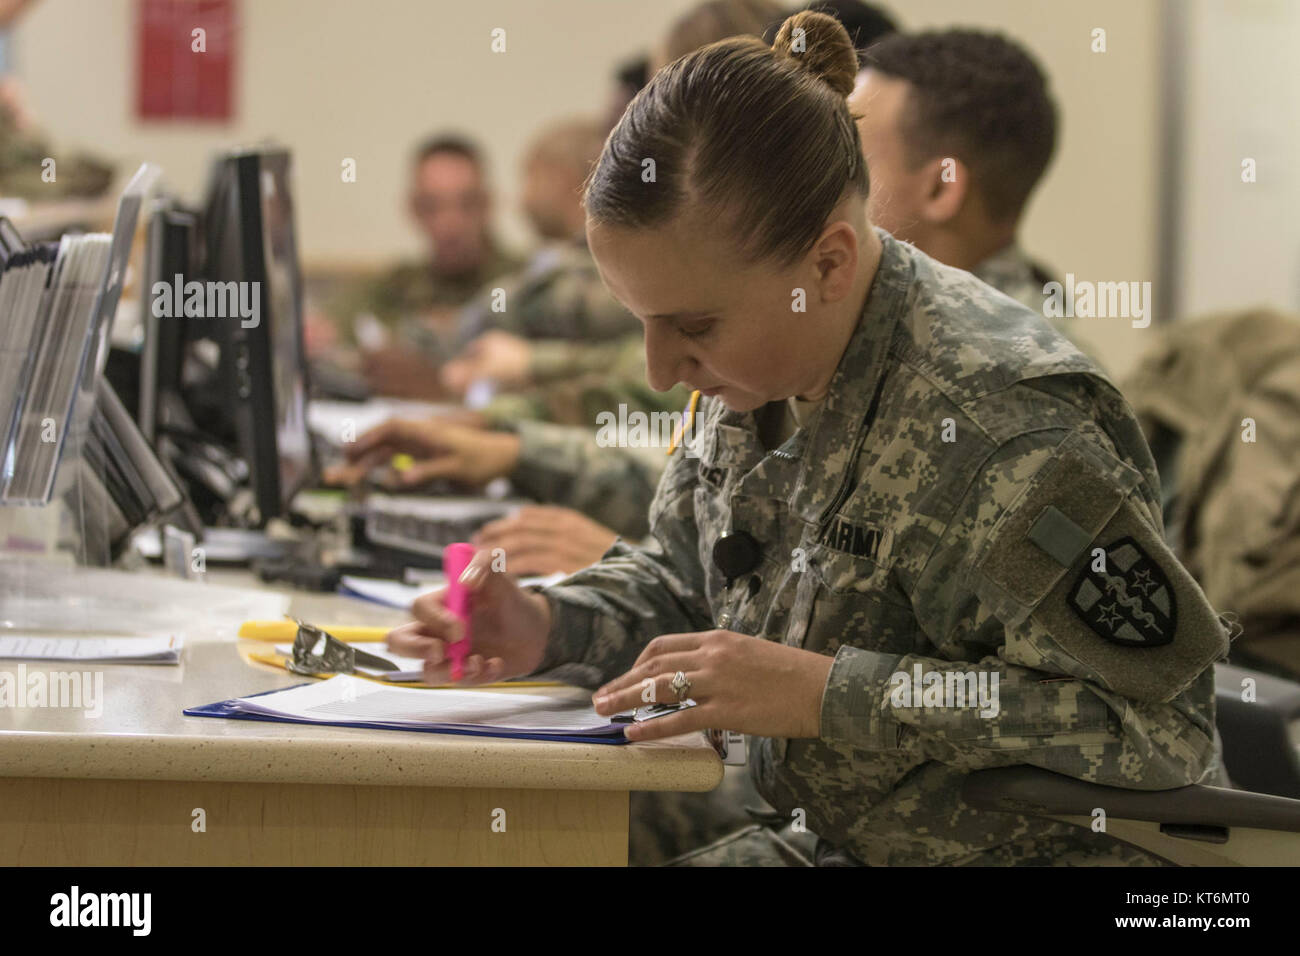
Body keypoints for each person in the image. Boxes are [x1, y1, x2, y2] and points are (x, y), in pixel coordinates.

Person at [385, 11, 1229, 867]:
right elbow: (693, 586)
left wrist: (830, 695)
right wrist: (546, 623)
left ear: (826, 265)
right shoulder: (761, 365)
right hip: (847, 842)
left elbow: (1158, 731)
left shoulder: (1007, 430)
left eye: (692, 325)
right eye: (642, 321)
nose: (659, 367)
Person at [850, 29, 1096, 359]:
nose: (826, 181)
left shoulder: (1013, 375)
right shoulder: (900, 323)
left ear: (941, 188)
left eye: (852, 161)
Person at [324, 134, 521, 396]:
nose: (450, 224)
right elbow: (332, 331)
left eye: (466, 204)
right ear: (413, 209)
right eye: (432, 206)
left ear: (487, 205)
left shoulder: (525, 283)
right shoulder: (395, 286)